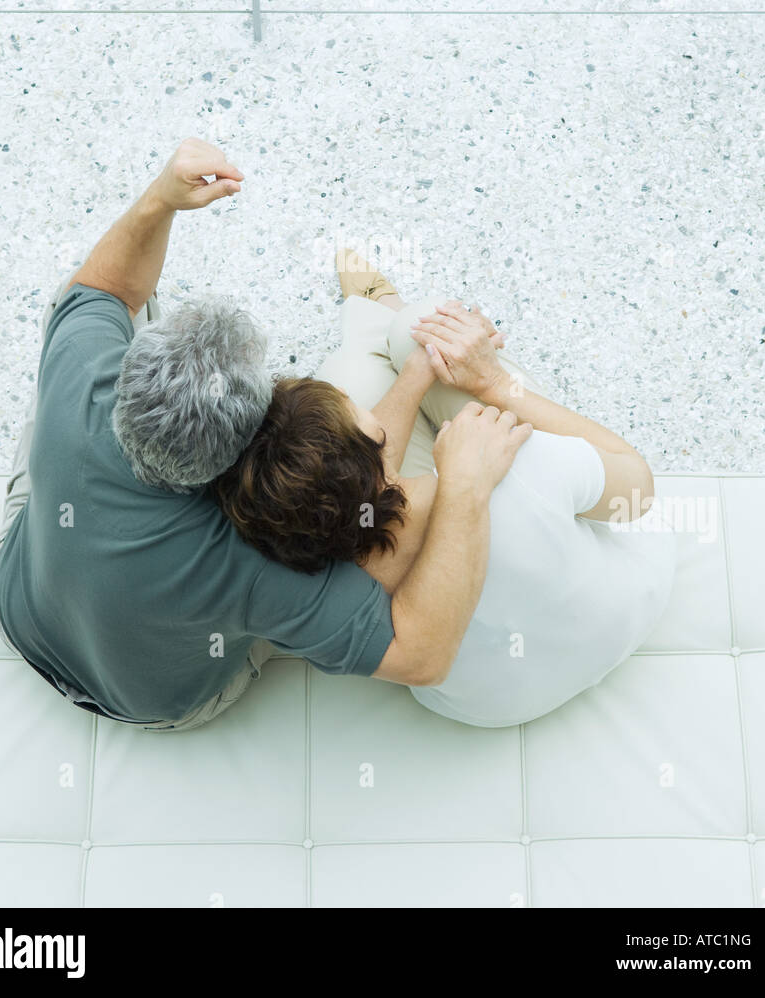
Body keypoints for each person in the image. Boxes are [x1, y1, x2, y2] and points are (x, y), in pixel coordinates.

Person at [0, 140, 529, 730]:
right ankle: (374, 313)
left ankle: (372, 317)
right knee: (362, 525)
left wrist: (160, 200)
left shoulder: (82, 378)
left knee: (80, 314)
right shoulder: (253, 554)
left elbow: (108, 290)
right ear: (245, 452)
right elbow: (421, 656)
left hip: (15, 600)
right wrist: (466, 488)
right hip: (153, 704)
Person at [214, 251, 676, 728]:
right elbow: (637, 492)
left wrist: (416, 375)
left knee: (356, 367)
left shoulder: (320, 574)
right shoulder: (524, 466)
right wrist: (492, 381)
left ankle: (374, 316)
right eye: (366, 420)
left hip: (495, 708)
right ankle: (386, 310)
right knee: (415, 326)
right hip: (635, 598)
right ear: (376, 446)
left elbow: (364, 479)